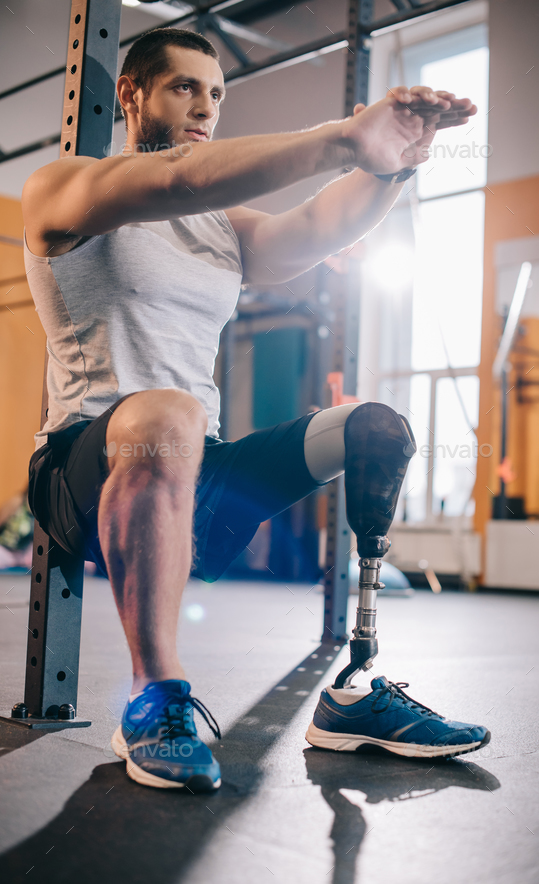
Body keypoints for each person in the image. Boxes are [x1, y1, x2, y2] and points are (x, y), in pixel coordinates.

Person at [22, 27, 488, 793]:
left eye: (216, 93)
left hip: (194, 469)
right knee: (167, 414)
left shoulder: (218, 229)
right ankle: (153, 700)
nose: (205, 106)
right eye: (184, 87)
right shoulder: (65, 187)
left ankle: (356, 683)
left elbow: (311, 229)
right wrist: (344, 138)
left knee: (375, 428)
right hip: (83, 470)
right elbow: (179, 179)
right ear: (133, 94)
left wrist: (390, 166)